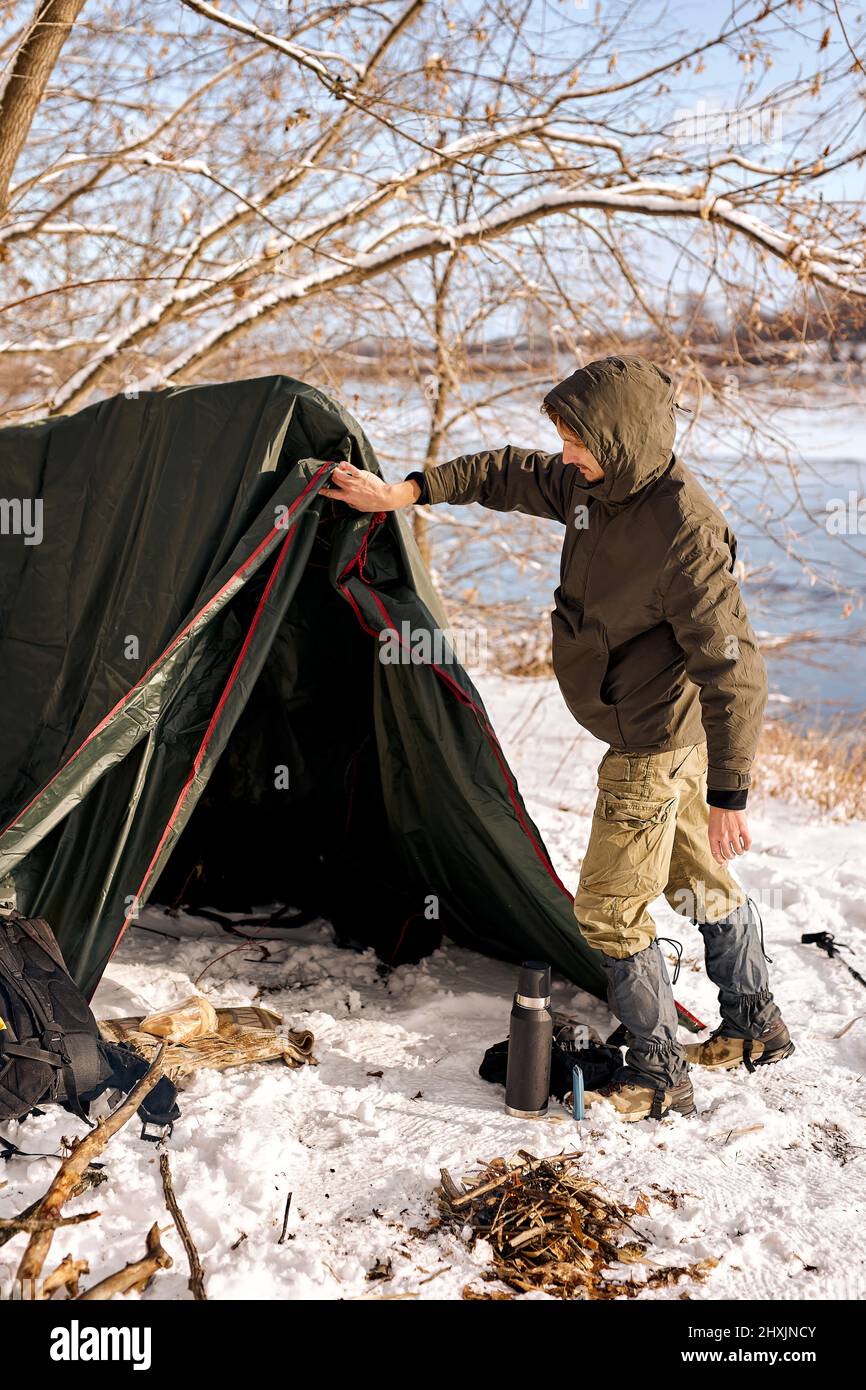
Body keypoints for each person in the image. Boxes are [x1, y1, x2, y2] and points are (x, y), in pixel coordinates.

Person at [321, 355, 794, 1121]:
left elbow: (734, 671)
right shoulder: (590, 484)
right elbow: (505, 474)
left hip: (652, 744)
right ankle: (754, 1026)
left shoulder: (685, 532)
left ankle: (657, 1069)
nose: (566, 455)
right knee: (695, 881)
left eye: (578, 441)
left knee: (609, 911)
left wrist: (729, 792)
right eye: (566, 441)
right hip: (650, 734)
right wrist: (403, 493)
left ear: (623, 437)